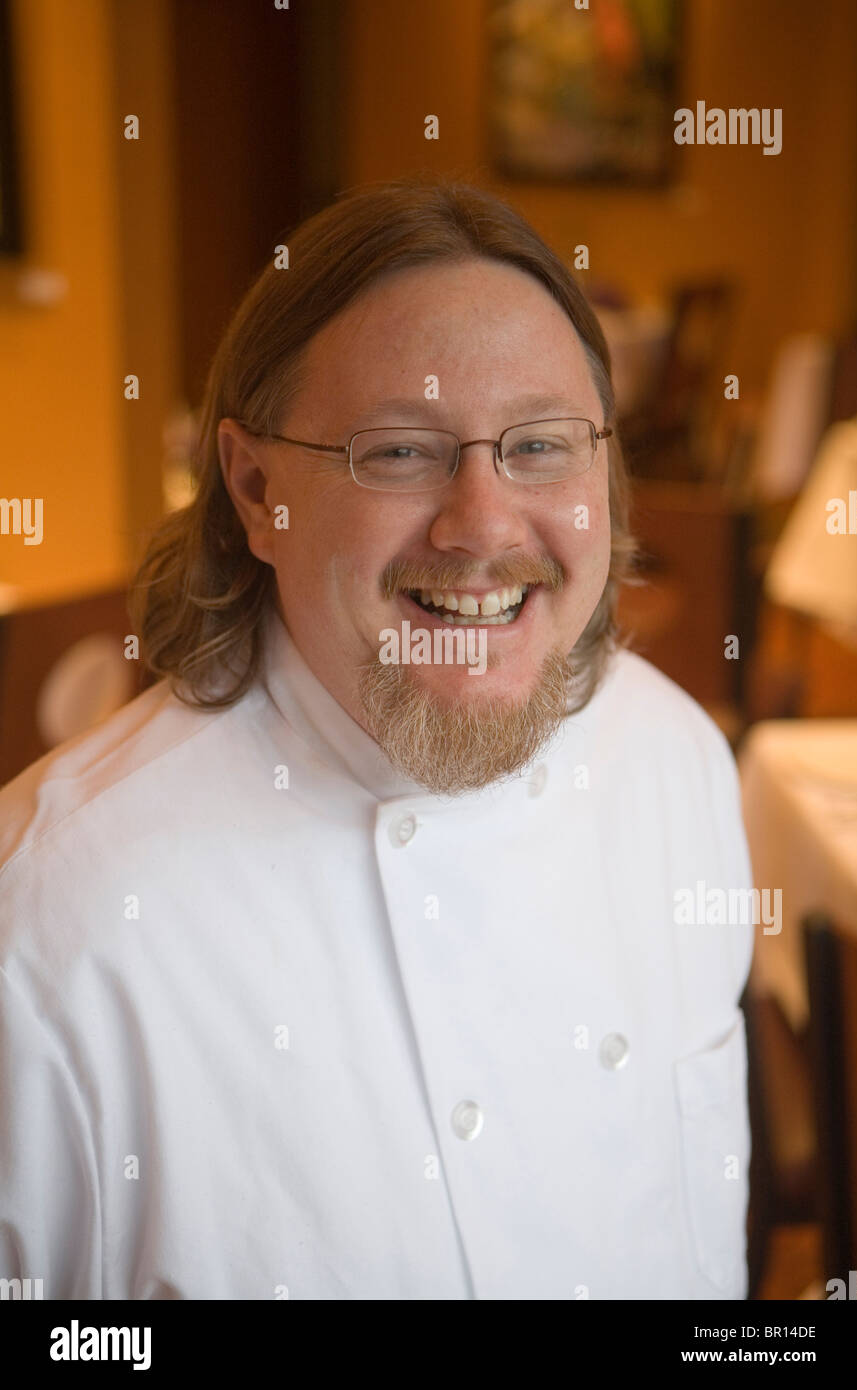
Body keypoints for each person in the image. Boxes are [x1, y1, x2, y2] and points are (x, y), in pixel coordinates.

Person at [0, 178, 753, 1300]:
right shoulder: (50, 923)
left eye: (540, 445)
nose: (485, 526)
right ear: (256, 490)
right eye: (398, 452)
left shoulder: (677, 764)